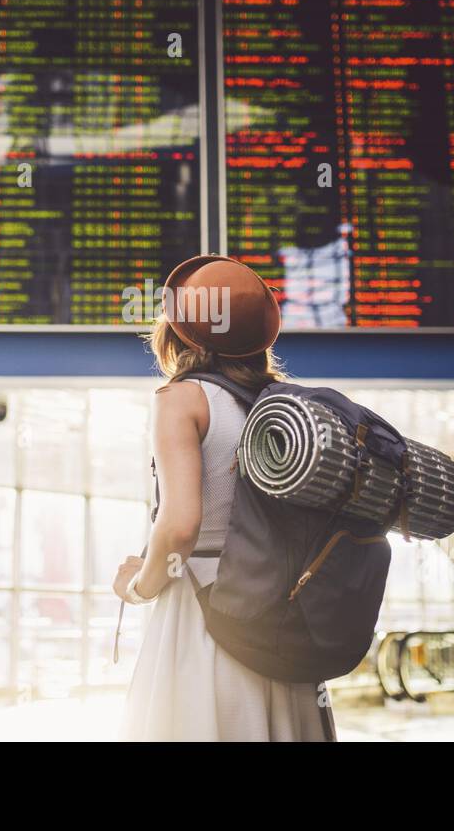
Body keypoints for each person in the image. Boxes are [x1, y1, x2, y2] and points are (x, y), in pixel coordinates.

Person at [116, 254, 334, 741]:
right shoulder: (287, 406)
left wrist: (140, 586)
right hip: (283, 619)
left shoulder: (182, 399)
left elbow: (179, 528)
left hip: (207, 611)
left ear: (180, 333)